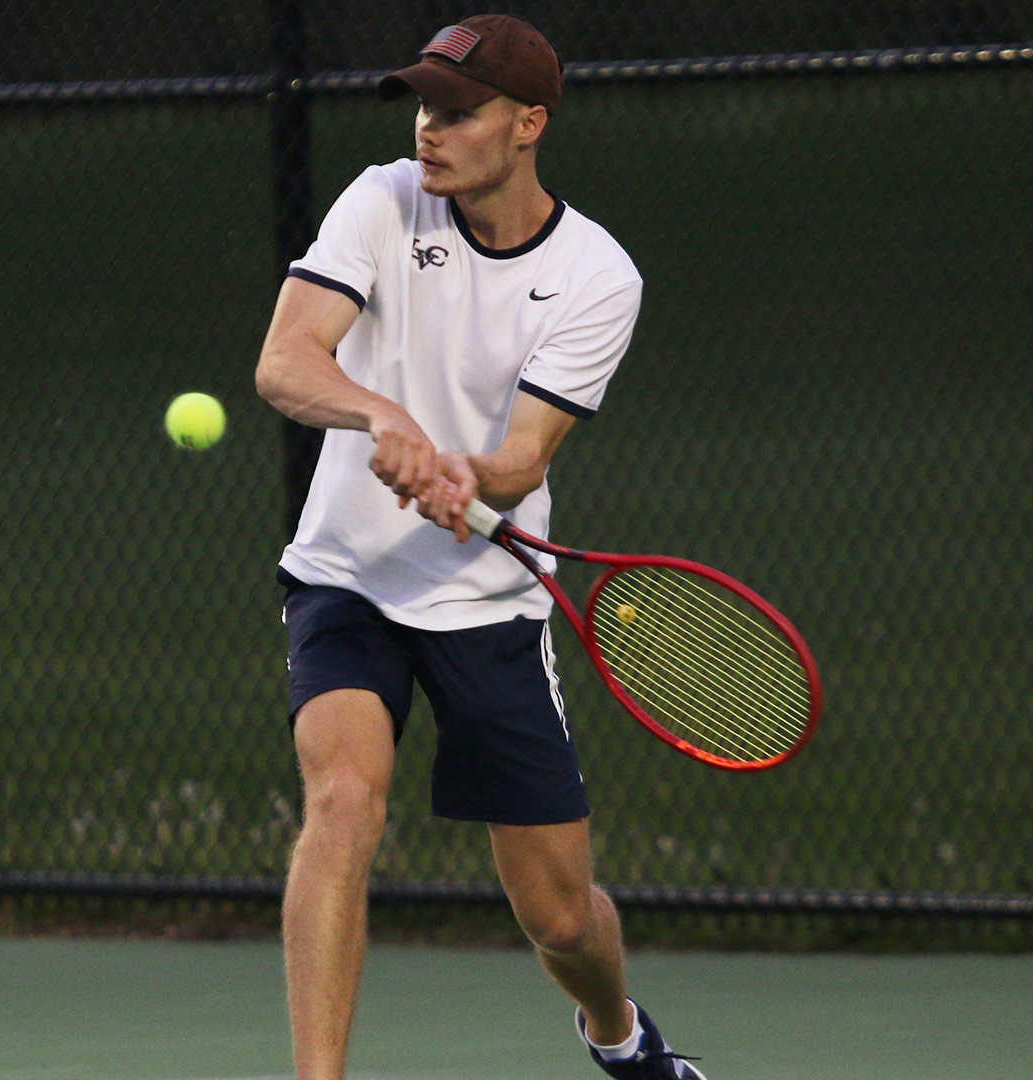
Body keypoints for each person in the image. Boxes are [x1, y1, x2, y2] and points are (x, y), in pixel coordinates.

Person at [254, 14, 704, 1080]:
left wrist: (464, 474)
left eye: (458, 112)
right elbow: (284, 361)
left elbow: (521, 461)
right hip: (347, 583)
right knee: (343, 800)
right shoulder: (381, 198)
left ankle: (619, 1035)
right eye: (424, 106)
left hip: (489, 605)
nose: (429, 130)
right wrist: (381, 419)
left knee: (558, 918)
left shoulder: (599, 277)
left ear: (529, 124)